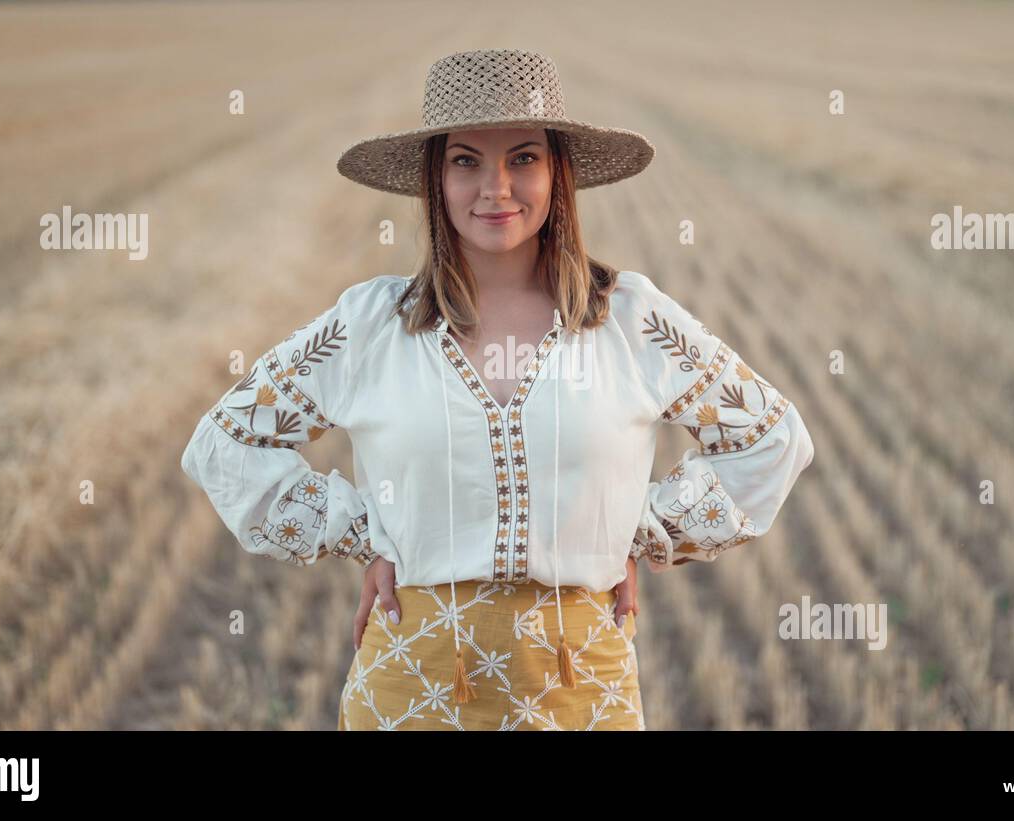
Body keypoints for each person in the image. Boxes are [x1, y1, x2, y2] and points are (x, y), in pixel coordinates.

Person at [180, 48, 815, 731]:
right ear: (434, 178)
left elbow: (771, 440)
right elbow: (224, 443)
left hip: (582, 695)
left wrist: (635, 532)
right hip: (409, 694)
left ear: (557, 172)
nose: (496, 188)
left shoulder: (631, 320)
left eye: (522, 158)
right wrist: (369, 533)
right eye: (465, 161)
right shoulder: (370, 327)